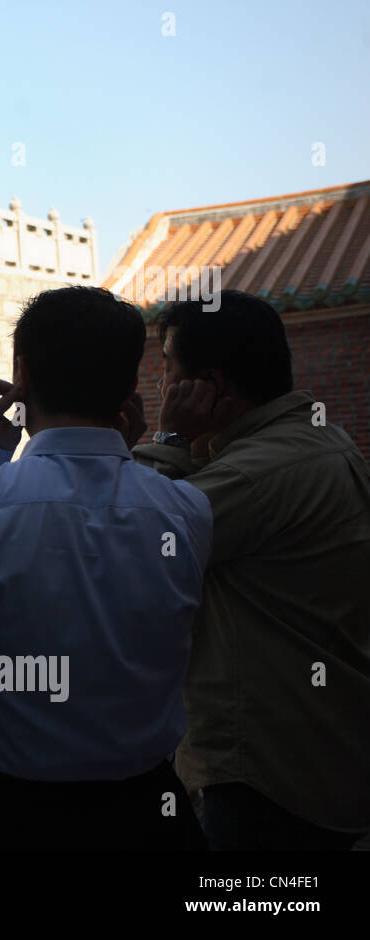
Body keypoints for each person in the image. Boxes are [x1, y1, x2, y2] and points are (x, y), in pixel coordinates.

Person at [0, 285, 212, 850]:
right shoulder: (187, 511)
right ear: (131, 386)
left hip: (5, 815)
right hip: (145, 809)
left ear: (22, 376)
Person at [132, 290, 370, 850]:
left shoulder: (254, 476)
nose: (161, 386)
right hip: (319, 750)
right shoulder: (317, 442)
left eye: (167, 368)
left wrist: (167, 439)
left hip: (266, 771)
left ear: (209, 387)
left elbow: (133, 539)